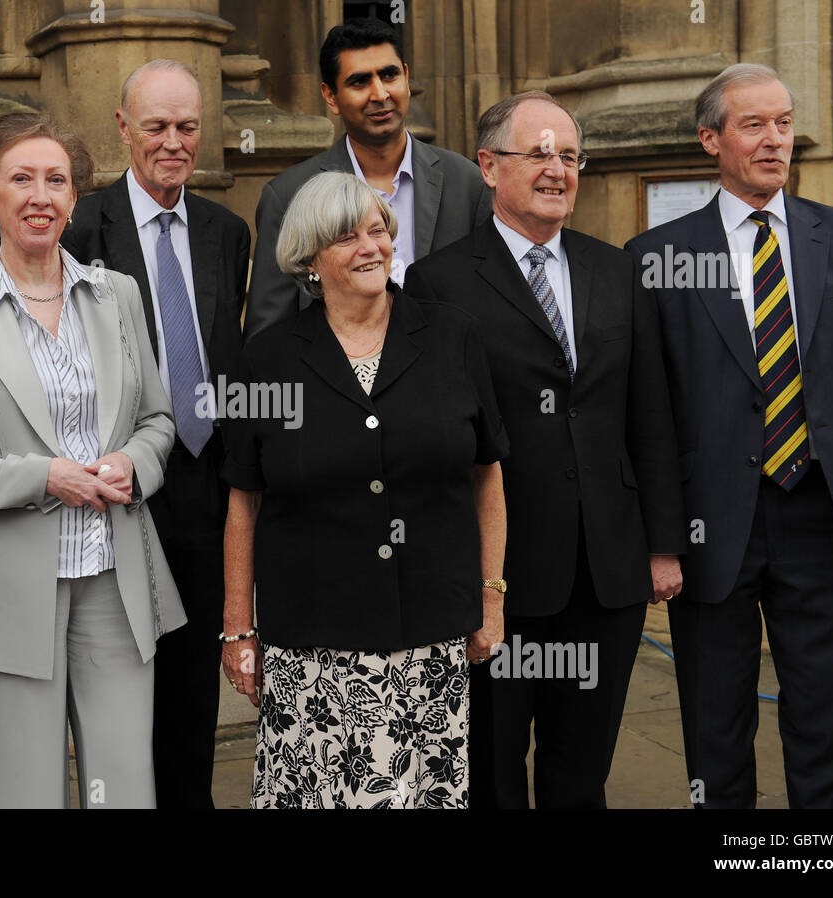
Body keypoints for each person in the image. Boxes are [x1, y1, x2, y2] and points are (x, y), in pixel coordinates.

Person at [626, 64, 833, 808]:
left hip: (826, 514)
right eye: (754, 125)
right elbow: (647, 413)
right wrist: (660, 538)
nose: (775, 139)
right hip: (712, 522)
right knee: (716, 721)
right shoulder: (658, 256)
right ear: (711, 138)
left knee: (830, 714)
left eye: (783, 122)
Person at [404, 91, 686, 808]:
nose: (559, 169)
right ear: (489, 167)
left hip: (606, 569)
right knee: (491, 770)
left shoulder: (616, 269)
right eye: (540, 154)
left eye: (570, 155)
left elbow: (649, 413)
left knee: (581, 768)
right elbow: (439, 441)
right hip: (500, 574)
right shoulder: (438, 282)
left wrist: (662, 544)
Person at [0, 112, 182, 809]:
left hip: (116, 579)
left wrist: (131, 462)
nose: (41, 195)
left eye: (56, 180)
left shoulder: (116, 294)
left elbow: (158, 419)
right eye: (21, 178)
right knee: (18, 793)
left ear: (74, 197)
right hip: (6, 586)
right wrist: (45, 477)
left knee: (123, 789)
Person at [222, 171, 507, 809]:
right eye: (346, 237)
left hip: (430, 638)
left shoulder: (452, 335)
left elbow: (487, 472)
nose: (369, 246)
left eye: (377, 230)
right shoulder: (267, 359)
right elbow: (244, 498)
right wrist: (237, 629)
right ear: (309, 257)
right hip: (312, 647)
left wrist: (491, 595)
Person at [61, 59, 250, 808]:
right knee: (117, 686)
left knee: (191, 691)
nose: (174, 143)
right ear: (123, 129)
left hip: (205, 483)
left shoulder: (226, 231)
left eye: (188, 128)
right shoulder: (79, 228)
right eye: (157, 128)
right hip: (117, 489)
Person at [243, 17, 491, 340]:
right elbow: (267, 339)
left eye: (389, 75)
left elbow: (488, 311)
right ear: (330, 97)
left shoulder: (468, 184)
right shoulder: (288, 196)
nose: (380, 94)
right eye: (360, 82)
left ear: (406, 76)